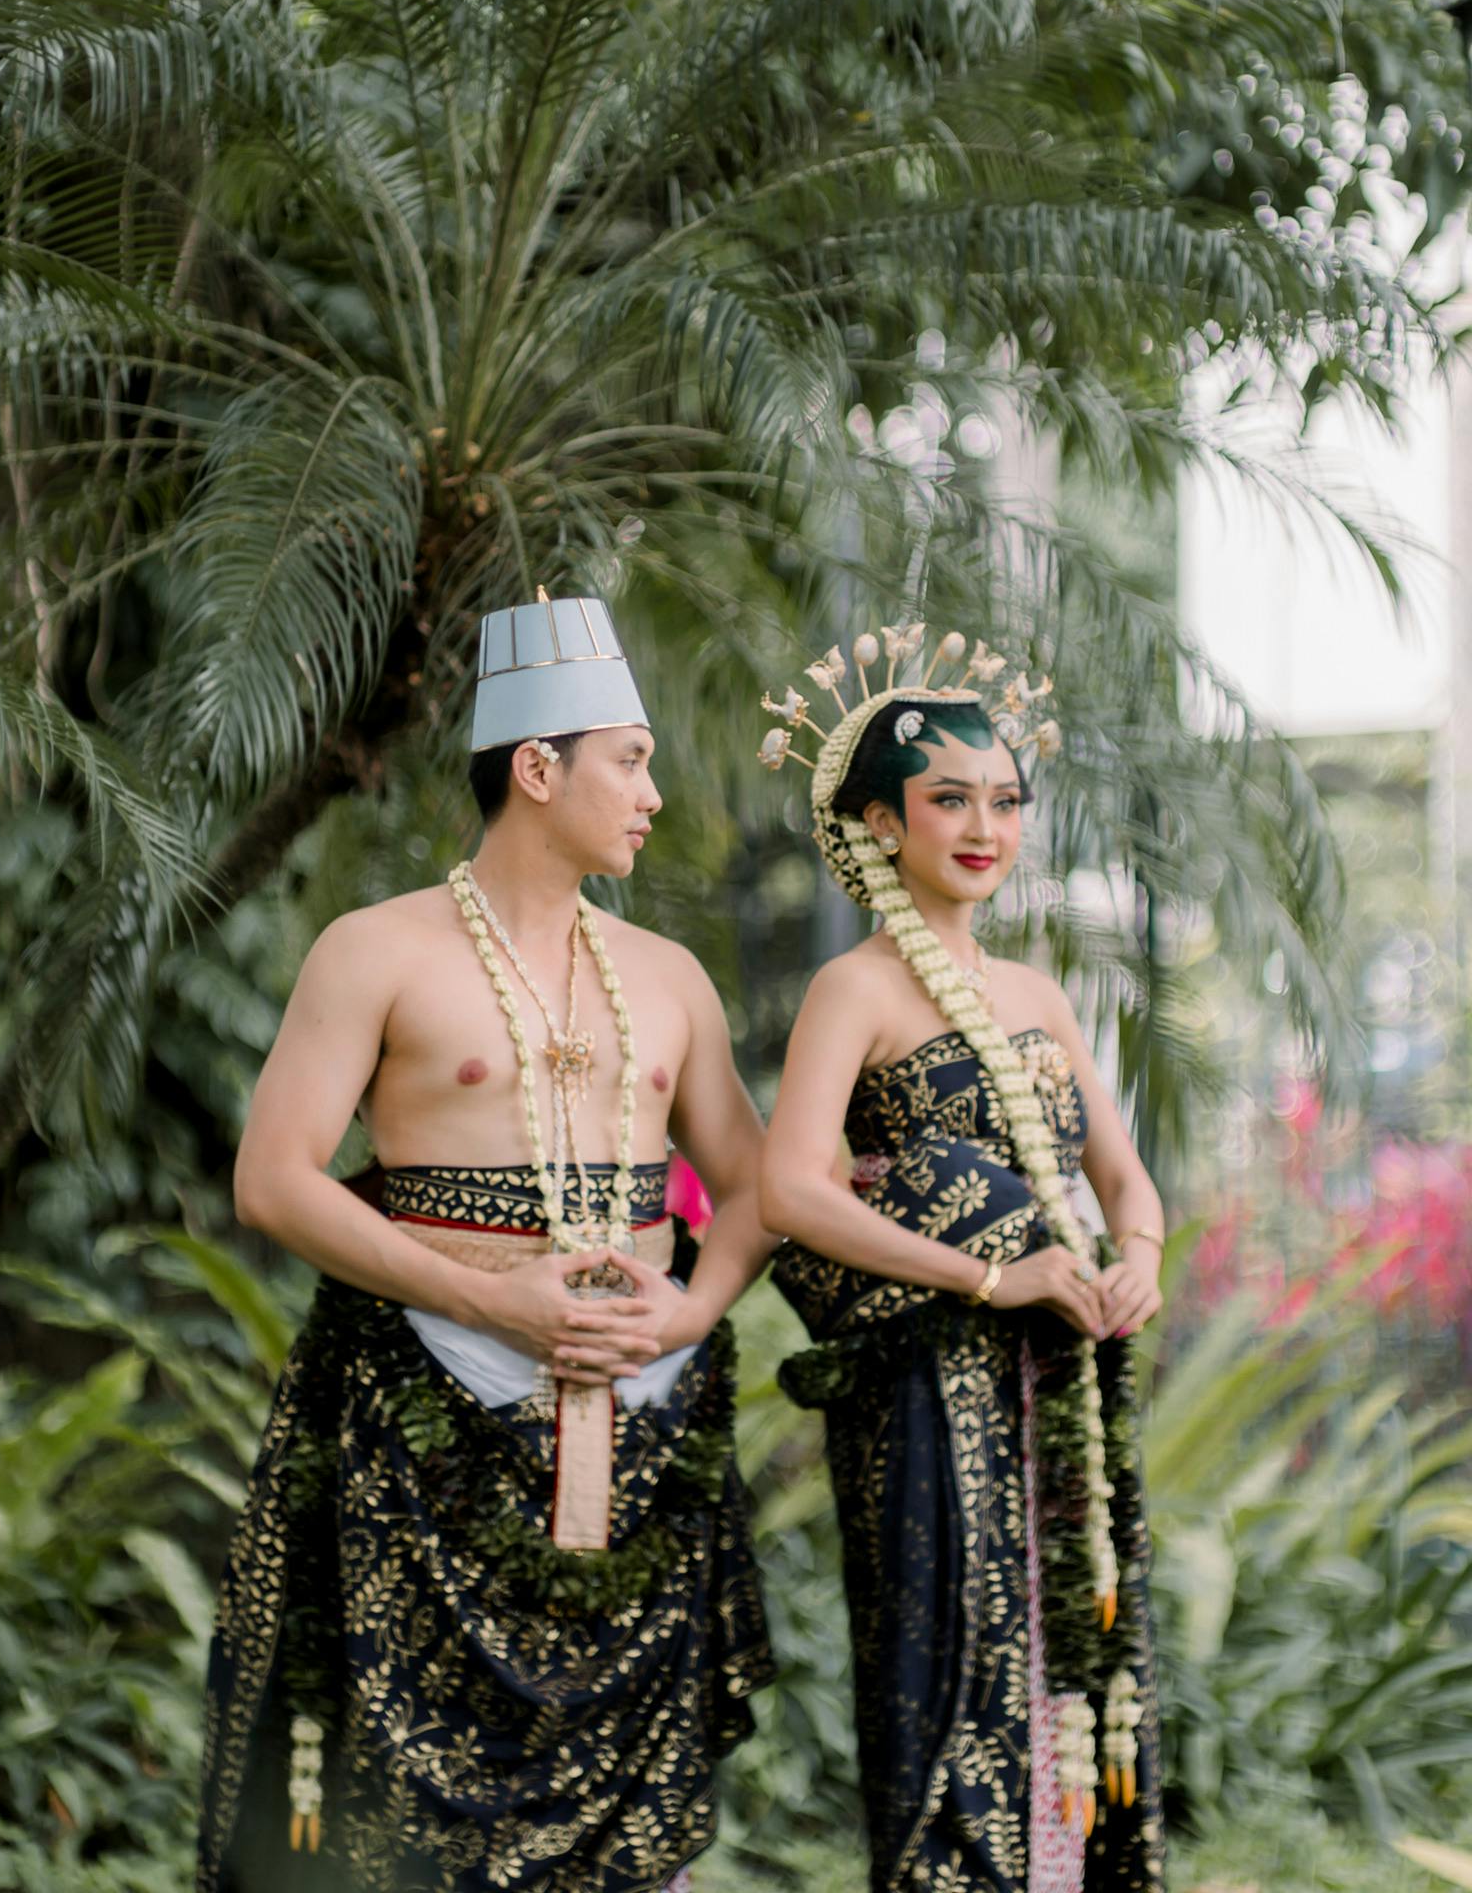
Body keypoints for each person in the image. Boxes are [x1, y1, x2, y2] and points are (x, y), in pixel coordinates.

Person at [197, 592, 777, 1893]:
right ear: (537, 766)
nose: (653, 795)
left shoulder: (669, 975)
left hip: (640, 1416)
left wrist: (686, 1317)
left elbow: (752, 1189)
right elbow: (274, 1181)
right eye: (630, 760)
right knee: (396, 1811)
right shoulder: (374, 952)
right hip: (423, 1412)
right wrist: (493, 1301)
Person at [757, 625, 1166, 1893]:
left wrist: (1136, 1255)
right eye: (948, 798)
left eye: (1003, 800)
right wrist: (995, 1277)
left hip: (1062, 1376)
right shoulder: (855, 991)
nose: (982, 824)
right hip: (925, 1387)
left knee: (1075, 1652)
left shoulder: (1038, 994)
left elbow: (1121, 1178)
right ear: (880, 821)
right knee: (948, 1657)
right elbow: (786, 1189)